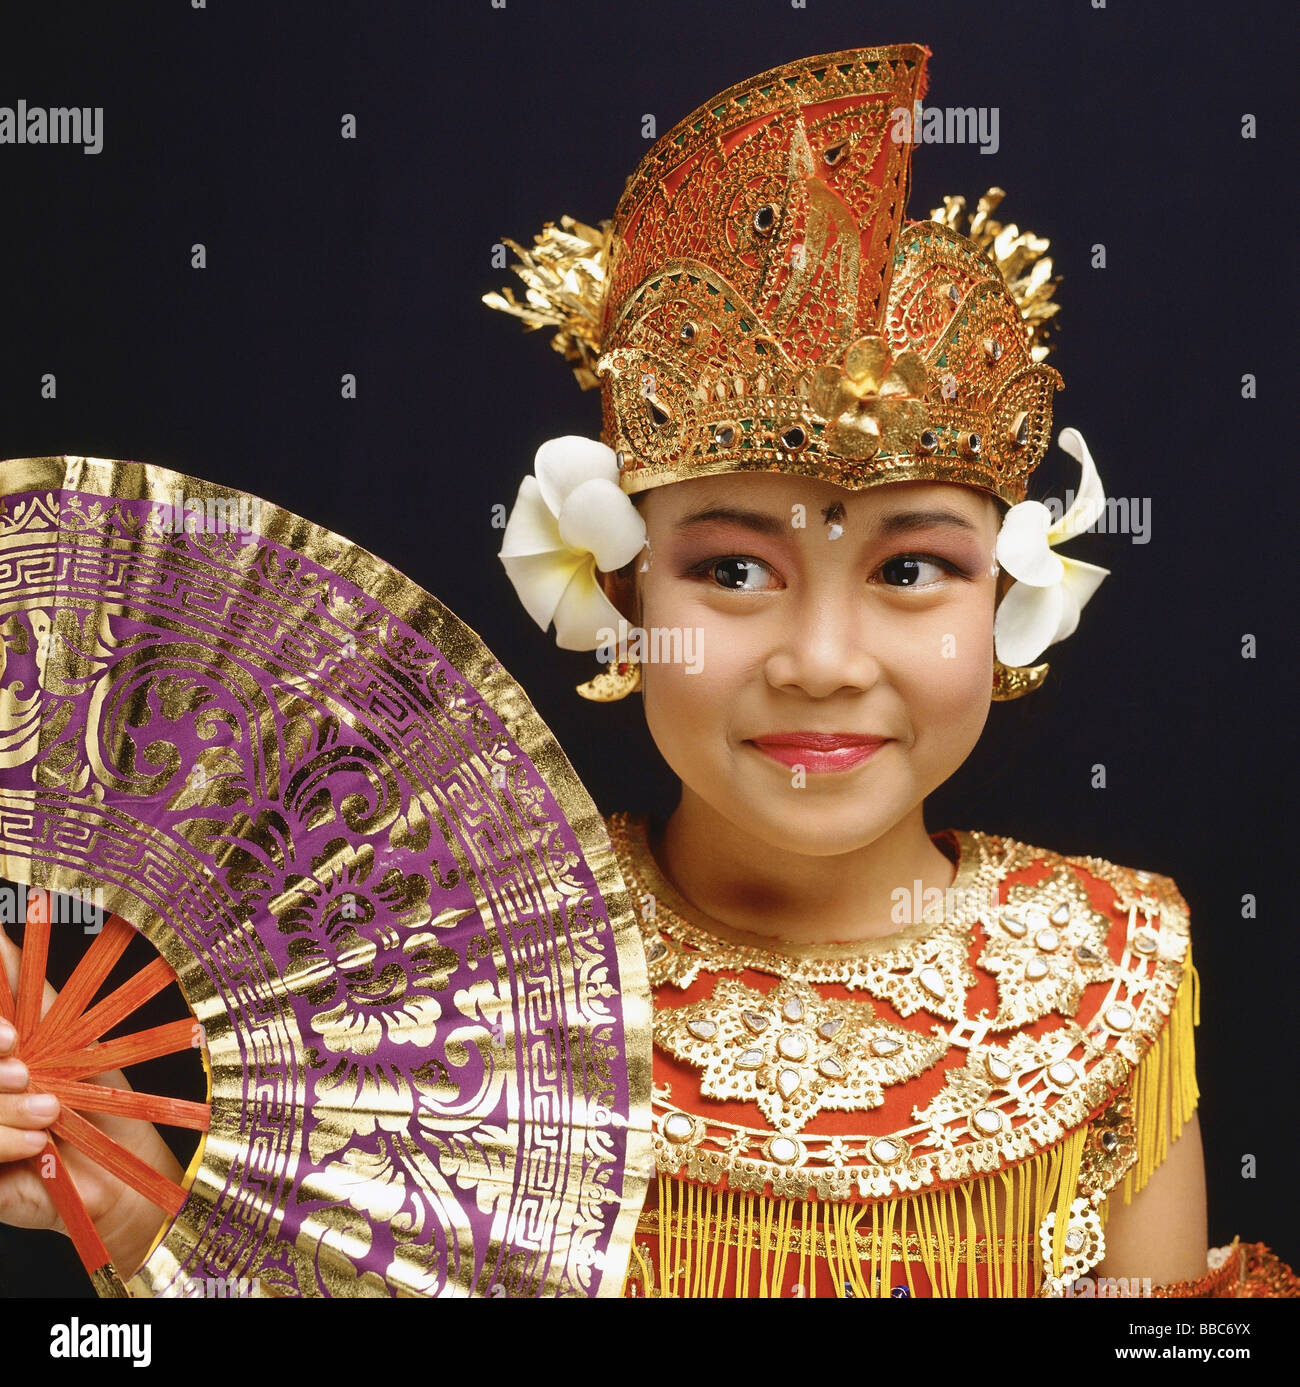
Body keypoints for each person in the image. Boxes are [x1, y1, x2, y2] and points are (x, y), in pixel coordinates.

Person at [0, 43, 1293, 1299]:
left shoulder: (1111, 968)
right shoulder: (462, 966)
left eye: (910, 571)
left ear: (1013, 602)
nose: (823, 663)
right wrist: (129, 1213)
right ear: (620, 600)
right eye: (733, 572)